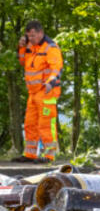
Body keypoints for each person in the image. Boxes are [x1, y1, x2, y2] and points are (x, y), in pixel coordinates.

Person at [16, 20, 63, 163]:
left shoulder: (51, 48)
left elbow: (57, 68)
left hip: (46, 91)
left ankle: (49, 156)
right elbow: (23, 62)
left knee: (46, 124)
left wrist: (51, 82)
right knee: (30, 124)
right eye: (29, 36)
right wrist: (21, 48)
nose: (31, 39)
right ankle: (30, 154)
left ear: (41, 33)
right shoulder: (30, 46)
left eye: (33, 36)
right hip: (33, 93)